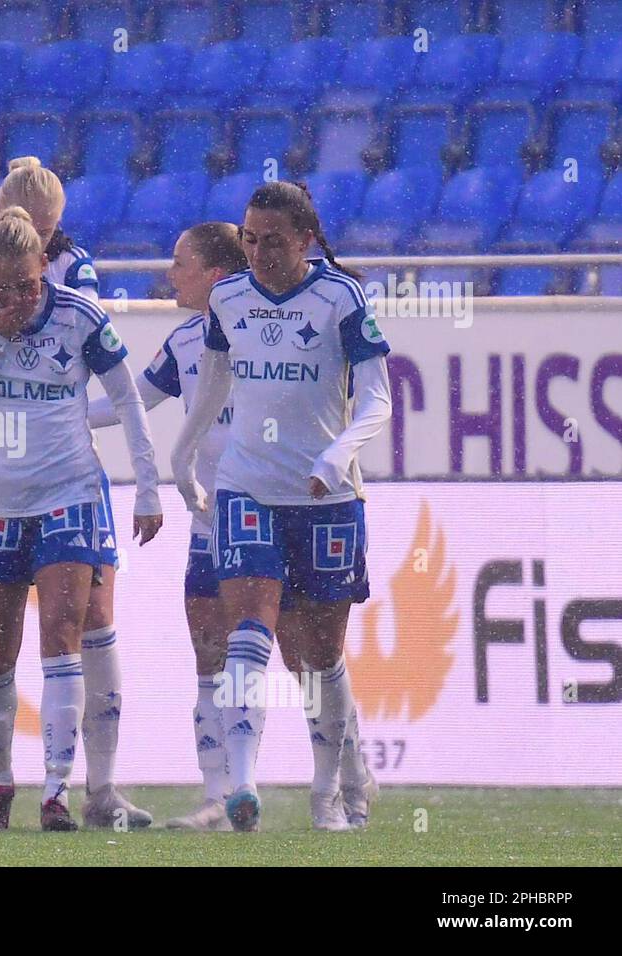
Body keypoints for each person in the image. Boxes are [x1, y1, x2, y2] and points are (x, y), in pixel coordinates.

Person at [0, 206, 162, 831]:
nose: (18, 297)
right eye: (3, 286)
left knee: (62, 632)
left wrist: (147, 487)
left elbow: (129, 400)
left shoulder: (80, 316)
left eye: (26, 284)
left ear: (43, 268)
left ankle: (57, 788)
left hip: (69, 494)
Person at [171, 182, 391, 832]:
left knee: (319, 657)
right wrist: (182, 459)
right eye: (249, 240)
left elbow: (378, 398)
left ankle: (332, 791)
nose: (259, 252)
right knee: (248, 630)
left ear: (304, 240)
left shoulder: (340, 298)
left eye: (272, 240)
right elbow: (213, 381)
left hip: (325, 497)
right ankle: (242, 785)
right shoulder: (229, 299)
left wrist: (336, 455)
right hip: (246, 489)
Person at [0, 156, 149, 827]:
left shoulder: (75, 282)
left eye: (50, 234)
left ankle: (89, 787)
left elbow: (116, 387)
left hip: (66, 477)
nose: (46, 247)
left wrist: (148, 480)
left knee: (87, 621)